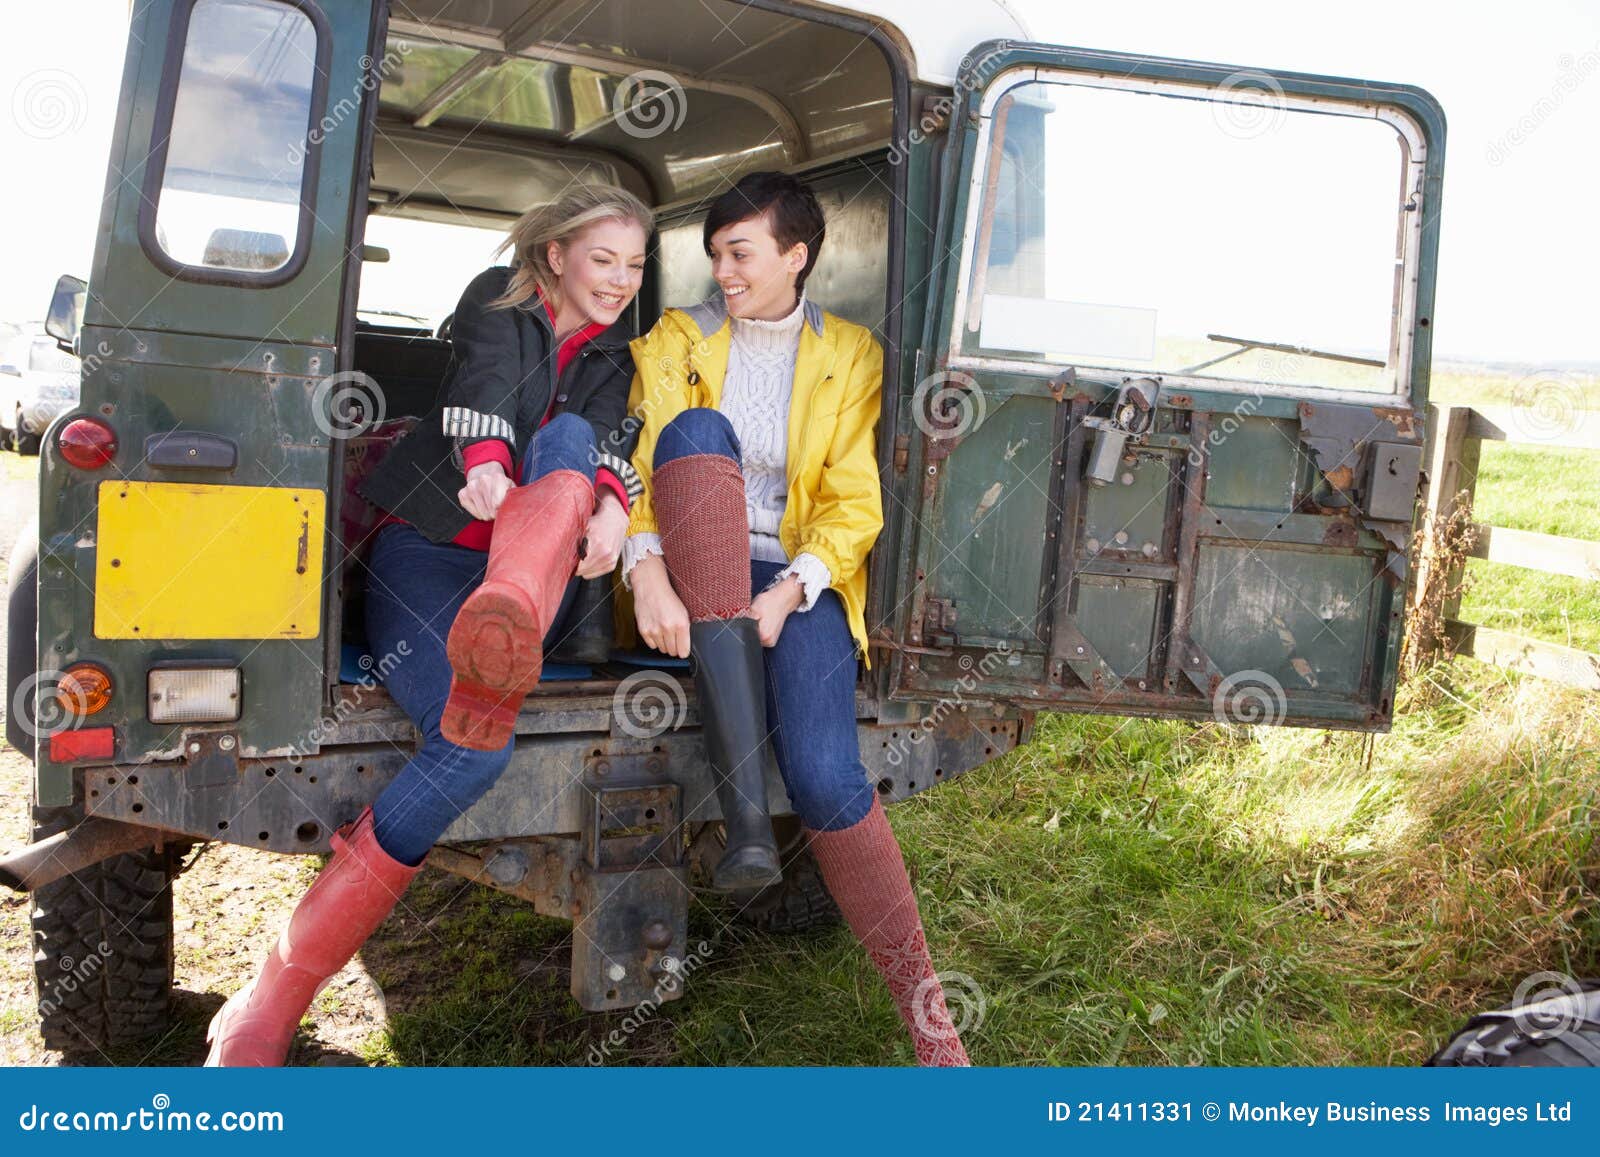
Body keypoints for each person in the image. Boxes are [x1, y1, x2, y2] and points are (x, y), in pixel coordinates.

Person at [203, 183, 653, 1066]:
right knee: (474, 746)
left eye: (635, 265)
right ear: (556, 255)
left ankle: (513, 609)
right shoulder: (498, 300)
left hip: (535, 571)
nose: (620, 281)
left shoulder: (616, 355)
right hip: (436, 550)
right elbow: (483, 390)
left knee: (568, 443)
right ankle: (271, 997)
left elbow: (604, 443)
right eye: (604, 260)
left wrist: (611, 511)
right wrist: (486, 469)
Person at [622, 171, 971, 1065]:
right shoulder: (675, 338)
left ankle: (931, 1022)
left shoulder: (851, 353)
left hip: (795, 576)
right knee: (697, 437)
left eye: (740, 254)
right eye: (715, 256)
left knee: (824, 774)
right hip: (689, 568)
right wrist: (647, 572)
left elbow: (854, 501)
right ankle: (745, 828)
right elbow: (638, 473)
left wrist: (789, 590)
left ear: (795, 255)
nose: (722, 273)